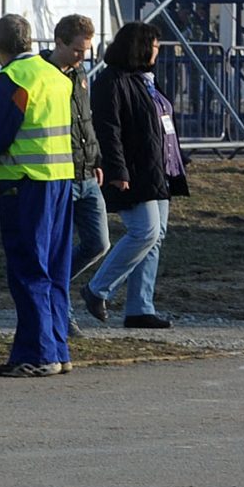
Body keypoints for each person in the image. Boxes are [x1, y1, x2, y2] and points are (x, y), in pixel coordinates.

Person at [0, 14, 76, 378]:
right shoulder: (58, 77)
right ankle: (58, 347)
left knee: (28, 267)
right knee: (55, 269)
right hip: (61, 179)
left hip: (24, 181)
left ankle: (37, 352)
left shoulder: (14, 79)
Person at [86, 22, 186, 330]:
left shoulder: (146, 81)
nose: (157, 51)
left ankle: (140, 307)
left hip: (159, 170)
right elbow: (109, 129)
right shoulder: (112, 81)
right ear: (139, 46)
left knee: (156, 237)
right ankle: (97, 289)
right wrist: (117, 169)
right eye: (154, 45)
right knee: (145, 232)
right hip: (133, 172)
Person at [45, 14, 108, 284]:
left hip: (86, 171)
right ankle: (60, 306)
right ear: (59, 42)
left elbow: (85, 118)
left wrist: (96, 159)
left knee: (99, 243)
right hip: (61, 172)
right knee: (58, 247)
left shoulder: (79, 72)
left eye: (86, 51)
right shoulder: (44, 74)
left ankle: (53, 286)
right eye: (77, 51)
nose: (82, 57)